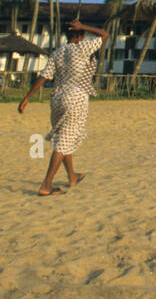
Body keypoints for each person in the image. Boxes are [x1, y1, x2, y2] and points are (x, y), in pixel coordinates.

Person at [18, 18, 108, 196]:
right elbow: (105, 35)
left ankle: (72, 176)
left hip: (57, 98)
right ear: (80, 35)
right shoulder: (83, 48)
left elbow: (44, 76)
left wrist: (27, 97)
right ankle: (46, 185)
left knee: (64, 137)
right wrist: (84, 25)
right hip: (76, 97)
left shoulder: (57, 53)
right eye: (82, 32)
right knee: (63, 142)